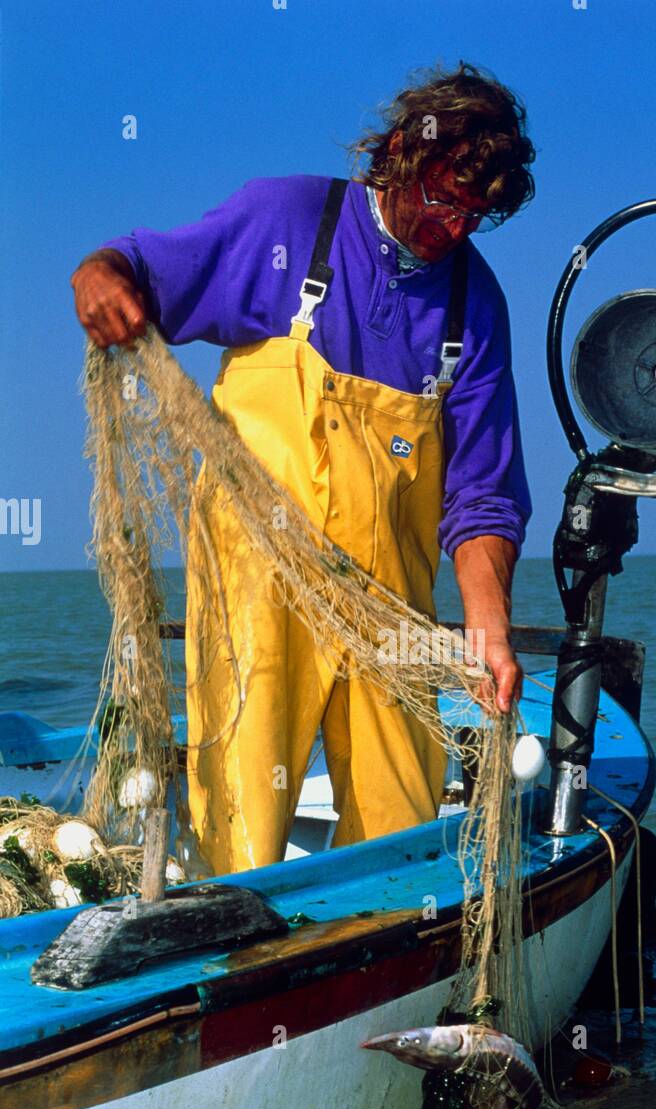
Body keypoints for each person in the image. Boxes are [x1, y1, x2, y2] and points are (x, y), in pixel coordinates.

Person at [70, 62, 534, 873]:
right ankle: (239, 964)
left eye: (473, 213)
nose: (452, 227)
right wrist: (99, 274)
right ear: (397, 152)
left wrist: (486, 622)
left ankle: (387, 966)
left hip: (389, 607)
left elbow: (484, 491)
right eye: (440, 195)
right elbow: (144, 268)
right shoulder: (289, 221)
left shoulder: (476, 306)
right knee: (241, 813)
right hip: (256, 587)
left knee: (398, 832)